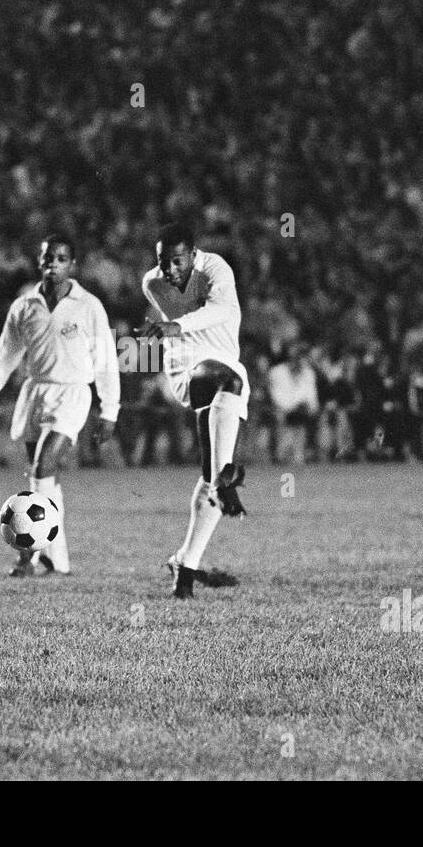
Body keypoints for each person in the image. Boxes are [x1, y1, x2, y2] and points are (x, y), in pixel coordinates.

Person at [0, 234, 120, 576]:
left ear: (72, 265)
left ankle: (27, 557)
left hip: (74, 393)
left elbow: (106, 358)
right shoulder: (24, 306)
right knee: (43, 478)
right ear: (39, 261)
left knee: (43, 466)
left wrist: (110, 410)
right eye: (48, 258)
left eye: (62, 258)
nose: (54, 264)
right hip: (36, 394)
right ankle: (56, 559)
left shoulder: (88, 305)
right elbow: (4, 355)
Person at [141, 224, 248, 598]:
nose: (169, 270)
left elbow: (222, 309)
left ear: (194, 253)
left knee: (208, 476)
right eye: (163, 262)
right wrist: (171, 331)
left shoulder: (216, 268)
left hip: (222, 363)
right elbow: (181, 313)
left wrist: (174, 325)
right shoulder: (152, 283)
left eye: (176, 261)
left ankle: (185, 569)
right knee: (223, 380)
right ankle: (225, 480)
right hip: (188, 367)